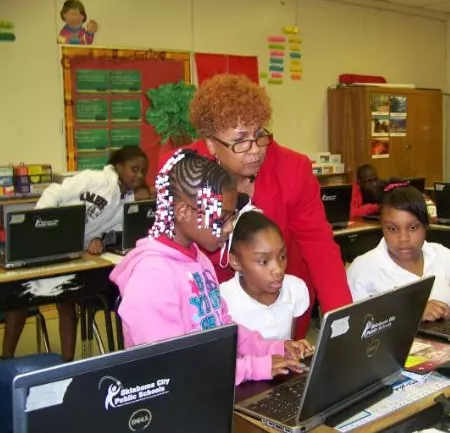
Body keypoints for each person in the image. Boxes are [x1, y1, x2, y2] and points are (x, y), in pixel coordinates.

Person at [159, 74, 351, 338]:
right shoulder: (182, 172)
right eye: (240, 141)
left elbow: (319, 246)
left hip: (279, 306)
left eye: (259, 134)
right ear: (211, 143)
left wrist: (343, 323)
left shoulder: (292, 169)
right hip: (211, 308)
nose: (255, 149)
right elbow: (172, 255)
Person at [111, 149, 313, 385]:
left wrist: (273, 348)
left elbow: (223, 328)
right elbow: (172, 365)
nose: (228, 229)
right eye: (221, 219)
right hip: (172, 405)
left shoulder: (199, 259)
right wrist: (252, 368)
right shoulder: (151, 277)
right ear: (183, 212)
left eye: (231, 218)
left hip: (210, 387)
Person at [2, 145, 148, 361]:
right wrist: (39, 224)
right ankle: (6, 358)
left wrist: (99, 239)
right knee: (21, 299)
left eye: (143, 171)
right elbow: (54, 192)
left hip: (71, 251)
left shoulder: (126, 201)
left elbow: (108, 229)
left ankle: (67, 362)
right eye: (134, 169)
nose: (139, 175)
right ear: (118, 167)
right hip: (44, 239)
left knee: (67, 299)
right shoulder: (95, 179)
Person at [347, 181, 450, 322]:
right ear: (382, 227)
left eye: (413, 228)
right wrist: (412, 312)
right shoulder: (362, 271)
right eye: (393, 229)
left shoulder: (442, 256)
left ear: (426, 225)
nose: (403, 238)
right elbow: (353, 327)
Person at [220, 209, 309, 340]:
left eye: (282, 256)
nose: (278, 270)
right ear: (235, 261)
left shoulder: (295, 289)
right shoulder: (223, 300)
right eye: (264, 262)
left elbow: (289, 342)